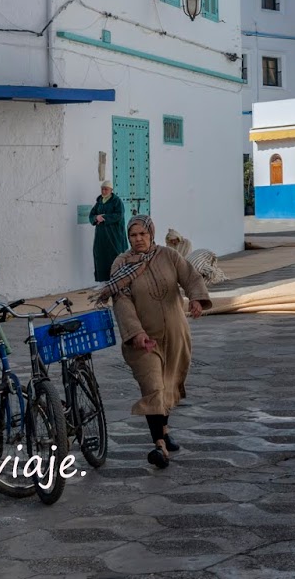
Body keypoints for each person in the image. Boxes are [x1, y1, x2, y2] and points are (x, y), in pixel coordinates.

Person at [96, 215, 210, 469]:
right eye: (133, 235)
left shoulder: (168, 256)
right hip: (143, 340)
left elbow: (190, 277)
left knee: (169, 383)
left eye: (142, 235)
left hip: (175, 334)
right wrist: (136, 333)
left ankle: (165, 430)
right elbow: (122, 302)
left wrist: (195, 299)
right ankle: (158, 445)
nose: (138, 239)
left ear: (151, 234)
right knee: (153, 386)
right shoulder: (122, 264)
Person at [89, 181, 128, 283]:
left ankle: (117, 281)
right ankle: (103, 282)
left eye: (106, 189)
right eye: (102, 189)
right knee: (101, 256)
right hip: (101, 236)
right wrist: (96, 217)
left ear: (111, 190)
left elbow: (119, 215)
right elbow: (91, 215)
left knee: (115, 256)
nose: (104, 191)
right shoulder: (99, 202)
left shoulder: (116, 201)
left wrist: (104, 217)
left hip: (114, 236)